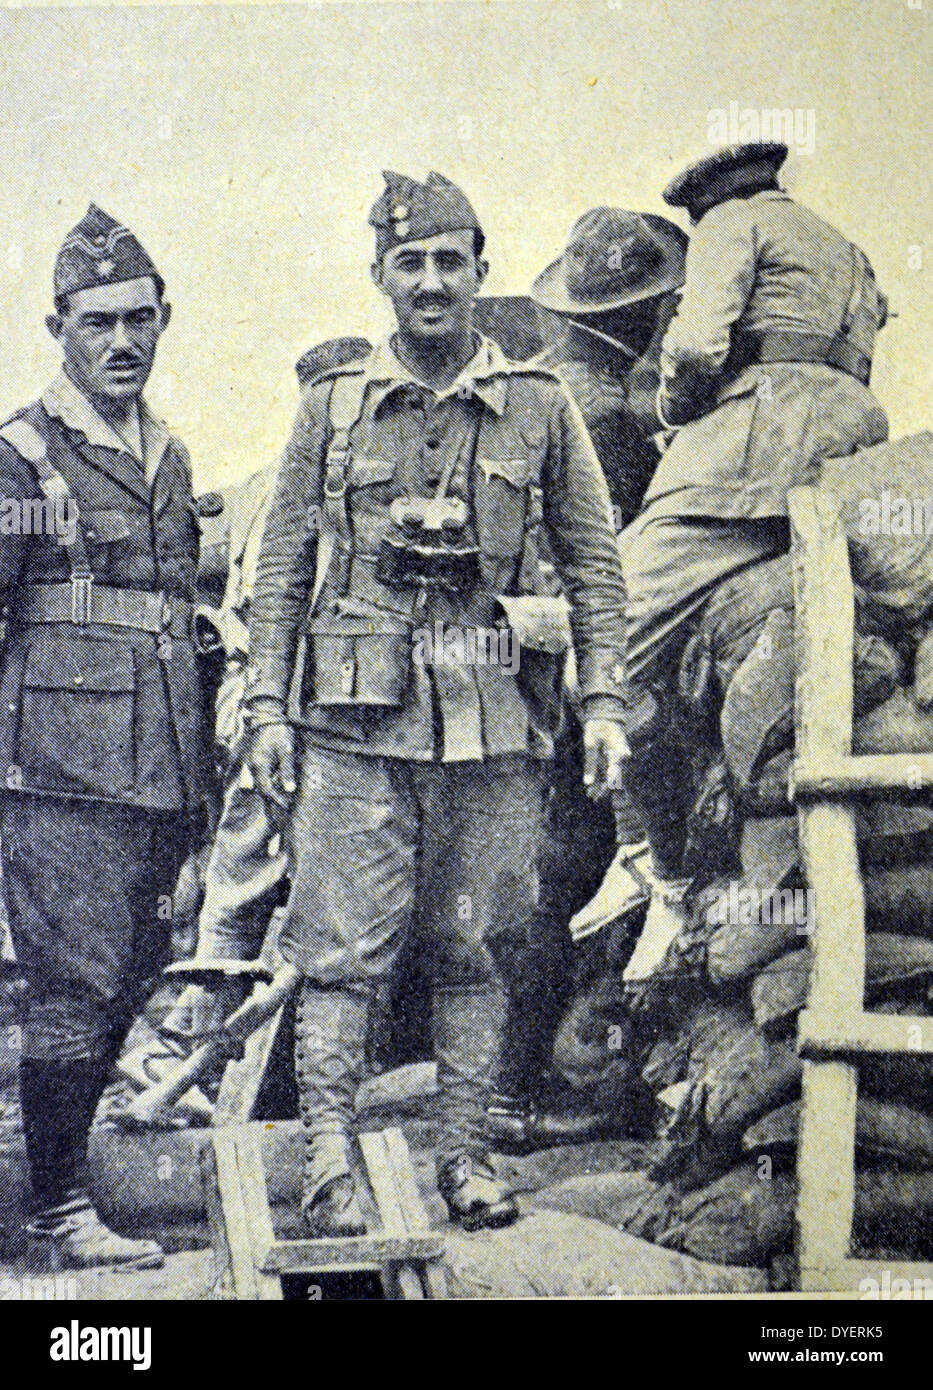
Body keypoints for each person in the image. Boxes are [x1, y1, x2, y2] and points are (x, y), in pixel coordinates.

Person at [241, 170, 630, 1236]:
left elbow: (597, 566)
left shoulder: (541, 406)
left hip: (494, 726)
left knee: (475, 945)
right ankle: (328, 1163)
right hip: (353, 726)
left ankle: (463, 1157)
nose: (429, 280)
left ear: (479, 273)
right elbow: (280, 566)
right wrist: (267, 708)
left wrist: (603, 703)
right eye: (408, 262)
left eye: (449, 261)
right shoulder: (332, 407)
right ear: (380, 277)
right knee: (340, 951)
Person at [617, 141, 890, 982]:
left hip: (747, 458)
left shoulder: (732, 227)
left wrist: (670, 413)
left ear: (703, 203)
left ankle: (648, 864)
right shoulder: (846, 248)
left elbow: (698, 348)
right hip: (844, 447)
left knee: (602, 633)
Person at [0, 204, 205, 1269]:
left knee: (130, 981)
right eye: (96, 324)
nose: (121, 341)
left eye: (138, 318)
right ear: (57, 330)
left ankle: (67, 1183)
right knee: (72, 992)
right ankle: (55, 1214)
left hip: (159, 775)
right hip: (63, 782)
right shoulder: (23, 459)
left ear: (163, 317)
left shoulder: (167, 454)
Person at [483, 208, 688, 1148]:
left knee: (531, 881)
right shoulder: (606, 423)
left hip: (510, 682)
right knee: (570, 873)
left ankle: (506, 1089)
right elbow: (627, 579)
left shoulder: (526, 399)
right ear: (643, 319)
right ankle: (522, 1091)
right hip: (577, 681)